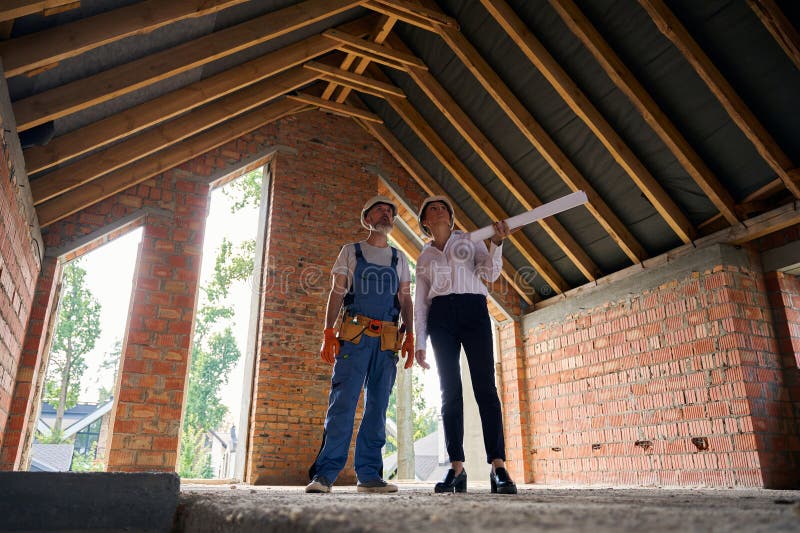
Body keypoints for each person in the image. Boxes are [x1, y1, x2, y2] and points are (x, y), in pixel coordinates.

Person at [306, 195, 419, 494]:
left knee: (378, 407)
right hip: (354, 337)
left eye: (390, 211)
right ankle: (325, 475)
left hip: (387, 340)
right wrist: (328, 332)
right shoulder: (351, 251)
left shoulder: (399, 258)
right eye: (380, 210)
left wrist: (411, 335)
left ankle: (369, 475)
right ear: (367, 219)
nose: (386, 214)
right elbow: (337, 291)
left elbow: (405, 298)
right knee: (342, 404)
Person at [413, 195, 517, 494]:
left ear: (452, 216)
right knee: (449, 391)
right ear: (425, 221)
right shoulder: (424, 258)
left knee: (485, 387)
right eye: (432, 207)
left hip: (474, 310)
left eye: (445, 206)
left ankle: (498, 466)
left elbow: (490, 273)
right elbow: (420, 303)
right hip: (441, 317)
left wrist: (497, 244)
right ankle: (456, 468)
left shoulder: (469, 241)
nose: (440, 209)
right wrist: (420, 342)